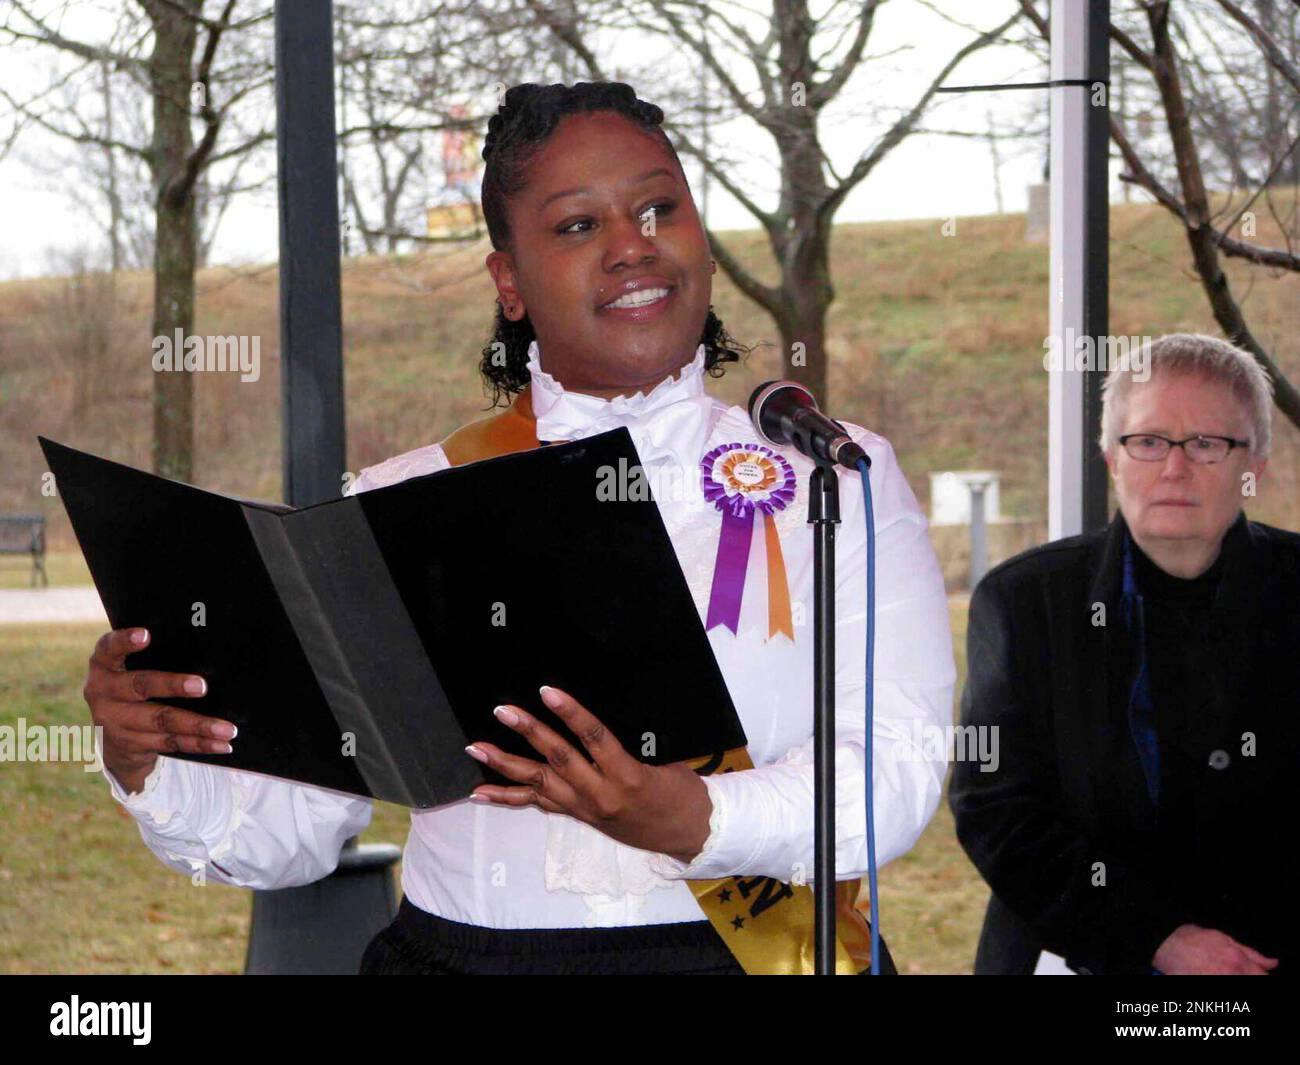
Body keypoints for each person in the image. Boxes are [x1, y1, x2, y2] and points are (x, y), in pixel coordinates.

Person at [81, 82, 955, 975]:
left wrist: (697, 817)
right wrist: (150, 752)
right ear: (509, 282)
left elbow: (899, 767)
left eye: (660, 207)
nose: (631, 246)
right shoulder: (404, 498)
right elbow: (295, 832)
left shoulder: (831, 474)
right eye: (577, 226)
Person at [951, 333, 1300, 976]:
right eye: (1148, 441)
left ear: (1258, 465)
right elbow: (995, 808)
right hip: (1072, 955)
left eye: (1206, 443)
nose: (1174, 468)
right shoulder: (1024, 603)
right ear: (1111, 458)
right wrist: (1157, 937)